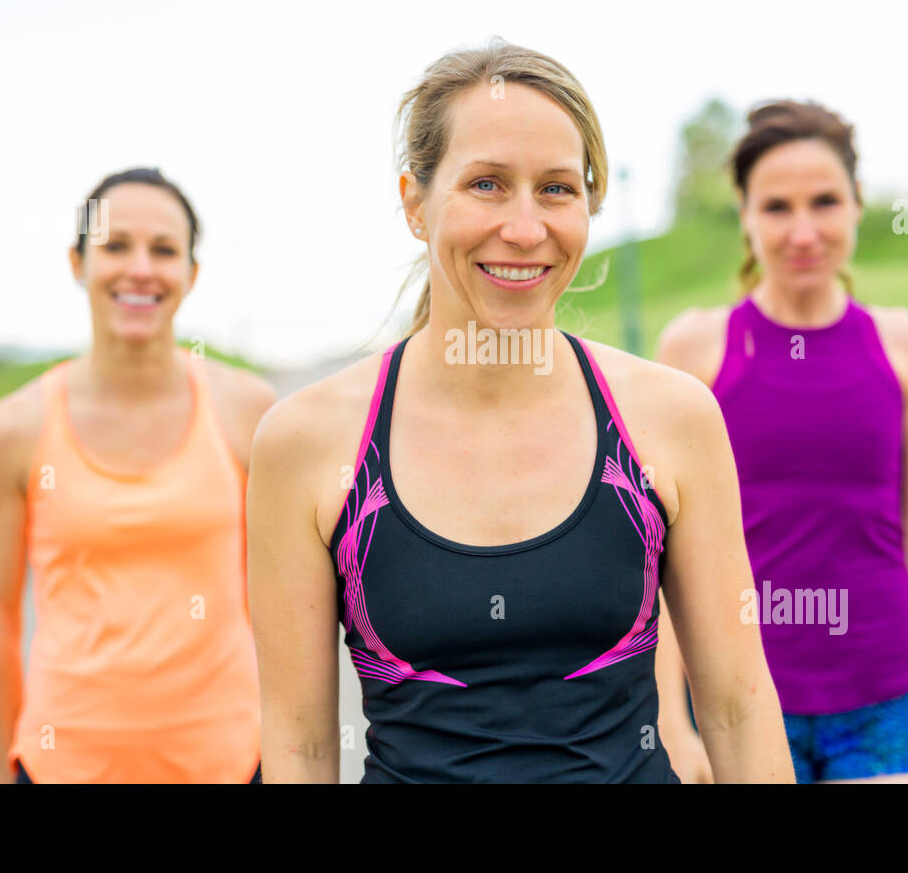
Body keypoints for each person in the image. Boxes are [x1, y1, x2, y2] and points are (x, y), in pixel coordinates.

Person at [246, 39, 793, 783]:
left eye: (558, 189)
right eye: (488, 185)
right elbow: (300, 746)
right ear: (415, 201)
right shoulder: (307, 443)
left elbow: (736, 705)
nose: (527, 229)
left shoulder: (672, 418)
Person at [654, 101, 908, 784]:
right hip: (738, 701)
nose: (804, 231)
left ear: (857, 205)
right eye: (777, 207)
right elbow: (667, 555)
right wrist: (671, 717)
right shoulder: (697, 348)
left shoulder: (905, 346)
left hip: (881, 705)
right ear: (745, 217)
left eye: (825, 202)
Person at [0, 168, 277, 783]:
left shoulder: (251, 412)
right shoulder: (12, 430)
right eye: (114, 246)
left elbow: (289, 611)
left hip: (230, 763)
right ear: (77, 263)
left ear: (191, 275)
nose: (140, 268)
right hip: (63, 765)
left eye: (163, 250)